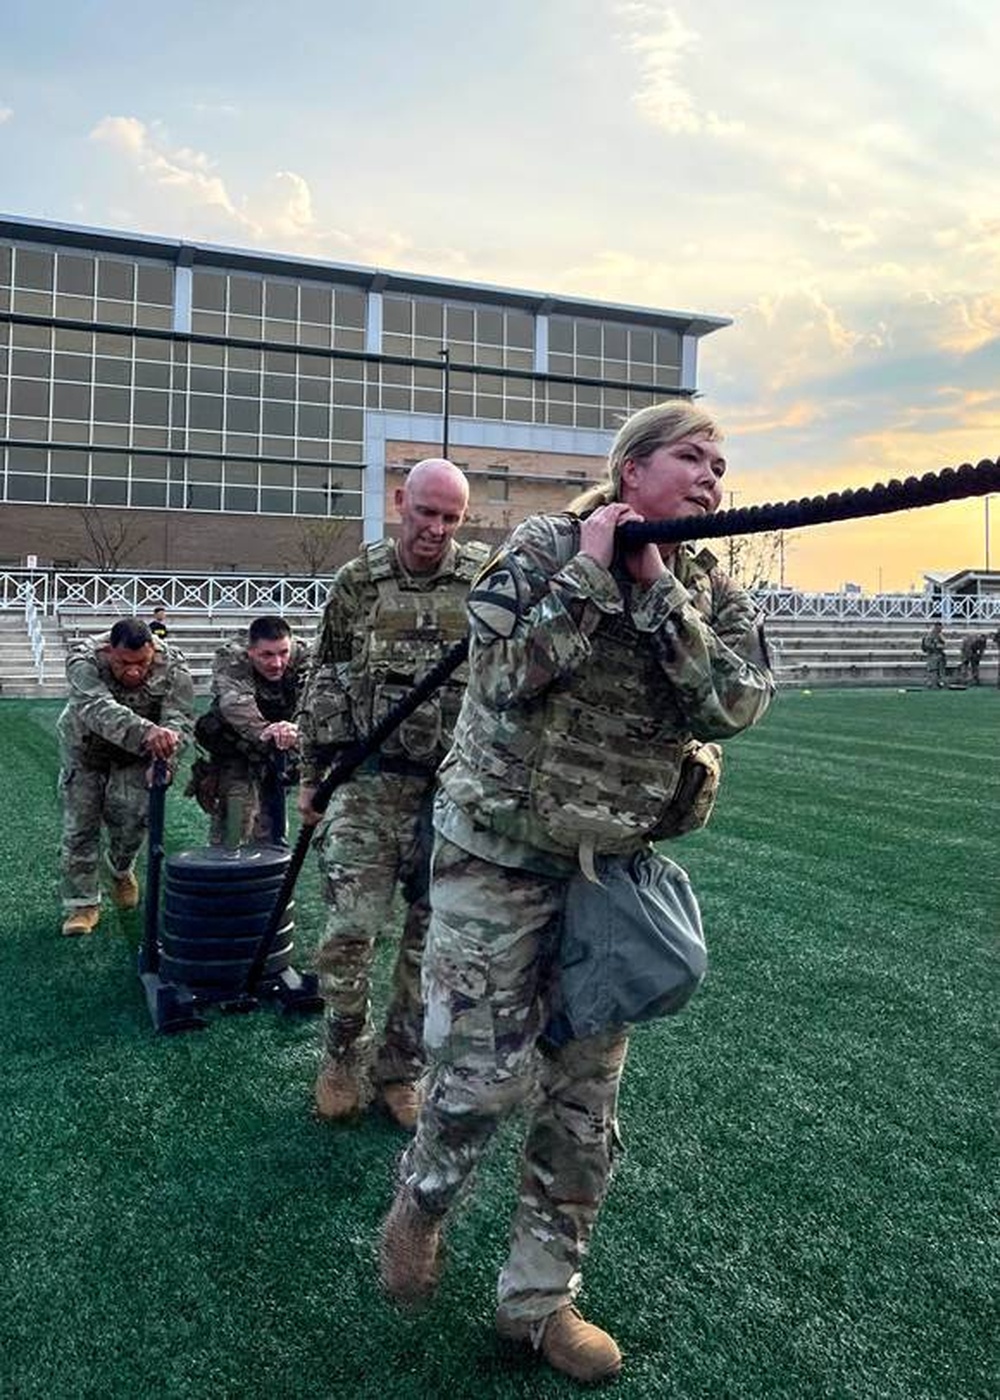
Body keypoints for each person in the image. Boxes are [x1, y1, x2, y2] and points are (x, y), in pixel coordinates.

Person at [378, 402, 774, 1384]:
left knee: (582, 1106)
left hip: (607, 877)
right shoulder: (546, 544)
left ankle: (538, 1301)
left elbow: (732, 701)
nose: (712, 477)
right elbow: (503, 670)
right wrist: (596, 573)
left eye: (720, 464)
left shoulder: (706, 587)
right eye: (692, 457)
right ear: (632, 469)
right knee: (474, 1084)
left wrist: (653, 593)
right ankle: (422, 1201)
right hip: (496, 857)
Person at [297, 458, 488, 1131]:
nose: (435, 528)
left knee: (429, 946)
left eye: (450, 518)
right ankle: (343, 1053)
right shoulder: (359, 581)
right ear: (400, 501)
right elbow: (323, 682)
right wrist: (310, 781)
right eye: (425, 512)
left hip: (452, 795)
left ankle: (400, 1070)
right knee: (350, 931)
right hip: (371, 784)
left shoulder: (486, 584)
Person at [57, 617, 194, 936]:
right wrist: (149, 733)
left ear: (153, 651)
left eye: (142, 663)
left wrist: (166, 757)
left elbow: (181, 717)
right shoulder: (84, 659)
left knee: (135, 819)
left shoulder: (173, 663)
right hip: (86, 749)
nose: (133, 671)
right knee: (80, 826)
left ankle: (120, 869)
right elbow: (96, 707)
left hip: (139, 753)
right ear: (108, 651)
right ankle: (82, 904)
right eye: (123, 663)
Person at [191, 616, 309, 847]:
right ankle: (225, 874)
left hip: (279, 755)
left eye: (283, 653)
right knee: (234, 829)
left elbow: (316, 697)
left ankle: (270, 877)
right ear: (250, 650)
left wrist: (296, 728)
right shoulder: (232, 657)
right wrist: (266, 729)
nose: (277, 663)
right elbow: (235, 703)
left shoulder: (305, 656)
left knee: (272, 831)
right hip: (236, 750)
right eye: (266, 655)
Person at [920, 621, 947, 688]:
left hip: (940, 655)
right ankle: (932, 683)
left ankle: (939, 683)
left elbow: (944, 643)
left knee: (940, 670)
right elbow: (927, 645)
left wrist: (942, 645)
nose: (941, 629)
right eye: (940, 628)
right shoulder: (930, 635)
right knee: (933, 670)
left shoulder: (940, 635)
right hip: (933, 655)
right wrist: (936, 646)